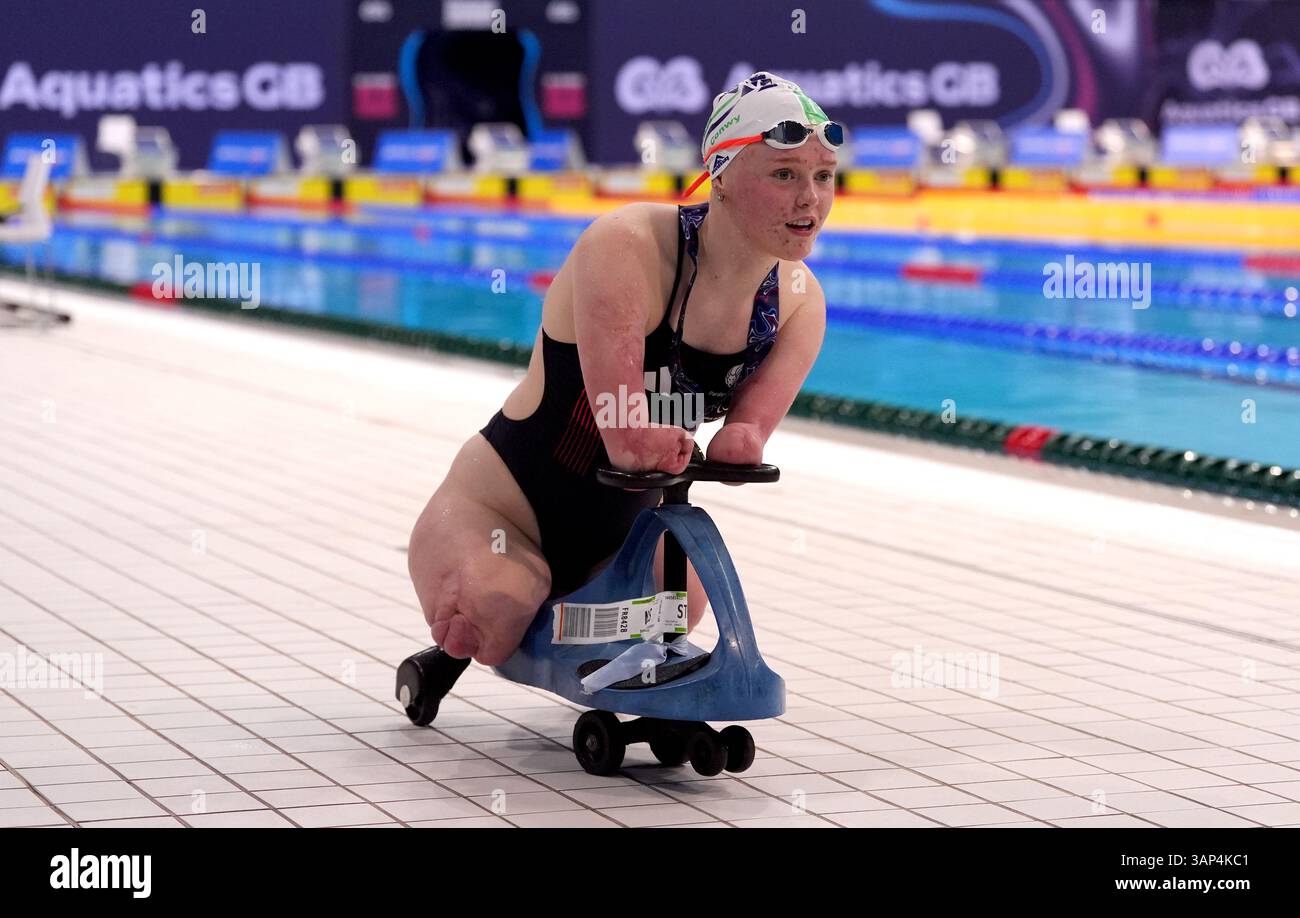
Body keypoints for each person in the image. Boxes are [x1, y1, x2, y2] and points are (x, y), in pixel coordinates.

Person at [408, 72, 839, 666]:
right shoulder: (629, 244)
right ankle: (464, 637)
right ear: (722, 176)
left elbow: (745, 436)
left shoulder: (799, 301)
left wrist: (741, 442)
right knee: (499, 605)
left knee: (682, 607)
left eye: (822, 176)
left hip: (625, 541)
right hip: (500, 512)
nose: (808, 198)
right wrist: (653, 442)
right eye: (784, 174)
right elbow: (624, 432)